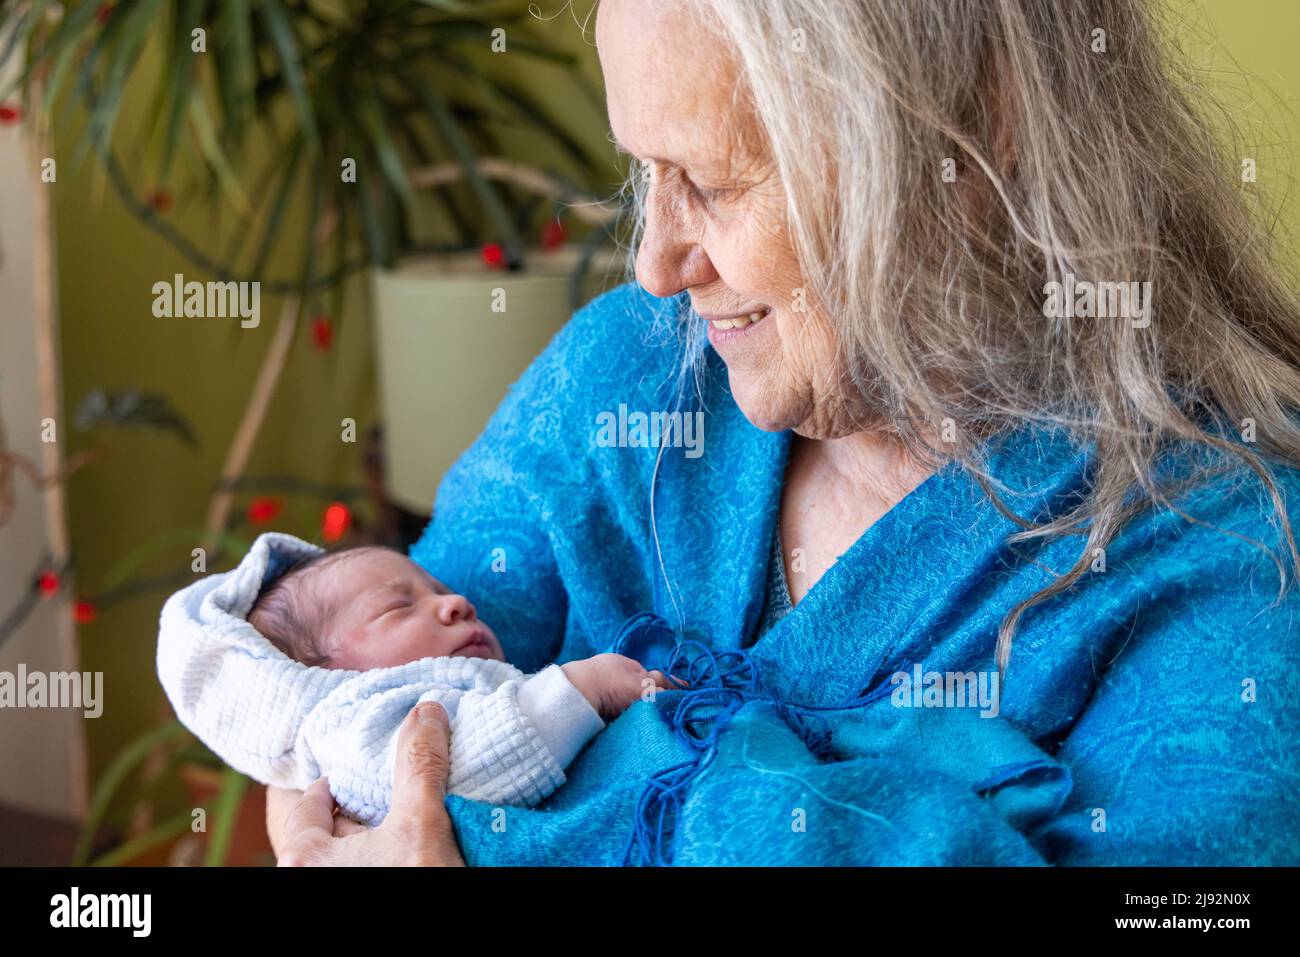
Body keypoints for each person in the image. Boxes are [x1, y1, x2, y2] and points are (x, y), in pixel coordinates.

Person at [269, 0, 1300, 866]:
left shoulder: (1237, 546)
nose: (656, 266)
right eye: (643, 174)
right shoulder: (621, 375)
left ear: (973, 137)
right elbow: (367, 715)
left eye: (710, 185)